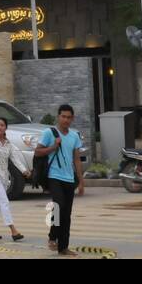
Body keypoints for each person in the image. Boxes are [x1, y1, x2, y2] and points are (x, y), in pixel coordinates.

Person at [34, 103, 84, 257]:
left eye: (69, 117)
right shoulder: (49, 133)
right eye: (63, 116)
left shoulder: (74, 136)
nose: (66, 120)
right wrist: (52, 148)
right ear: (58, 117)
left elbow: (76, 159)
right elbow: (37, 152)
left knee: (66, 214)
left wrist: (81, 181)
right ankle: (52, 236)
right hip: (53, 176)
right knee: (58, 205)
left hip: (69, 178)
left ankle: (63, 247)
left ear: (72, 118)